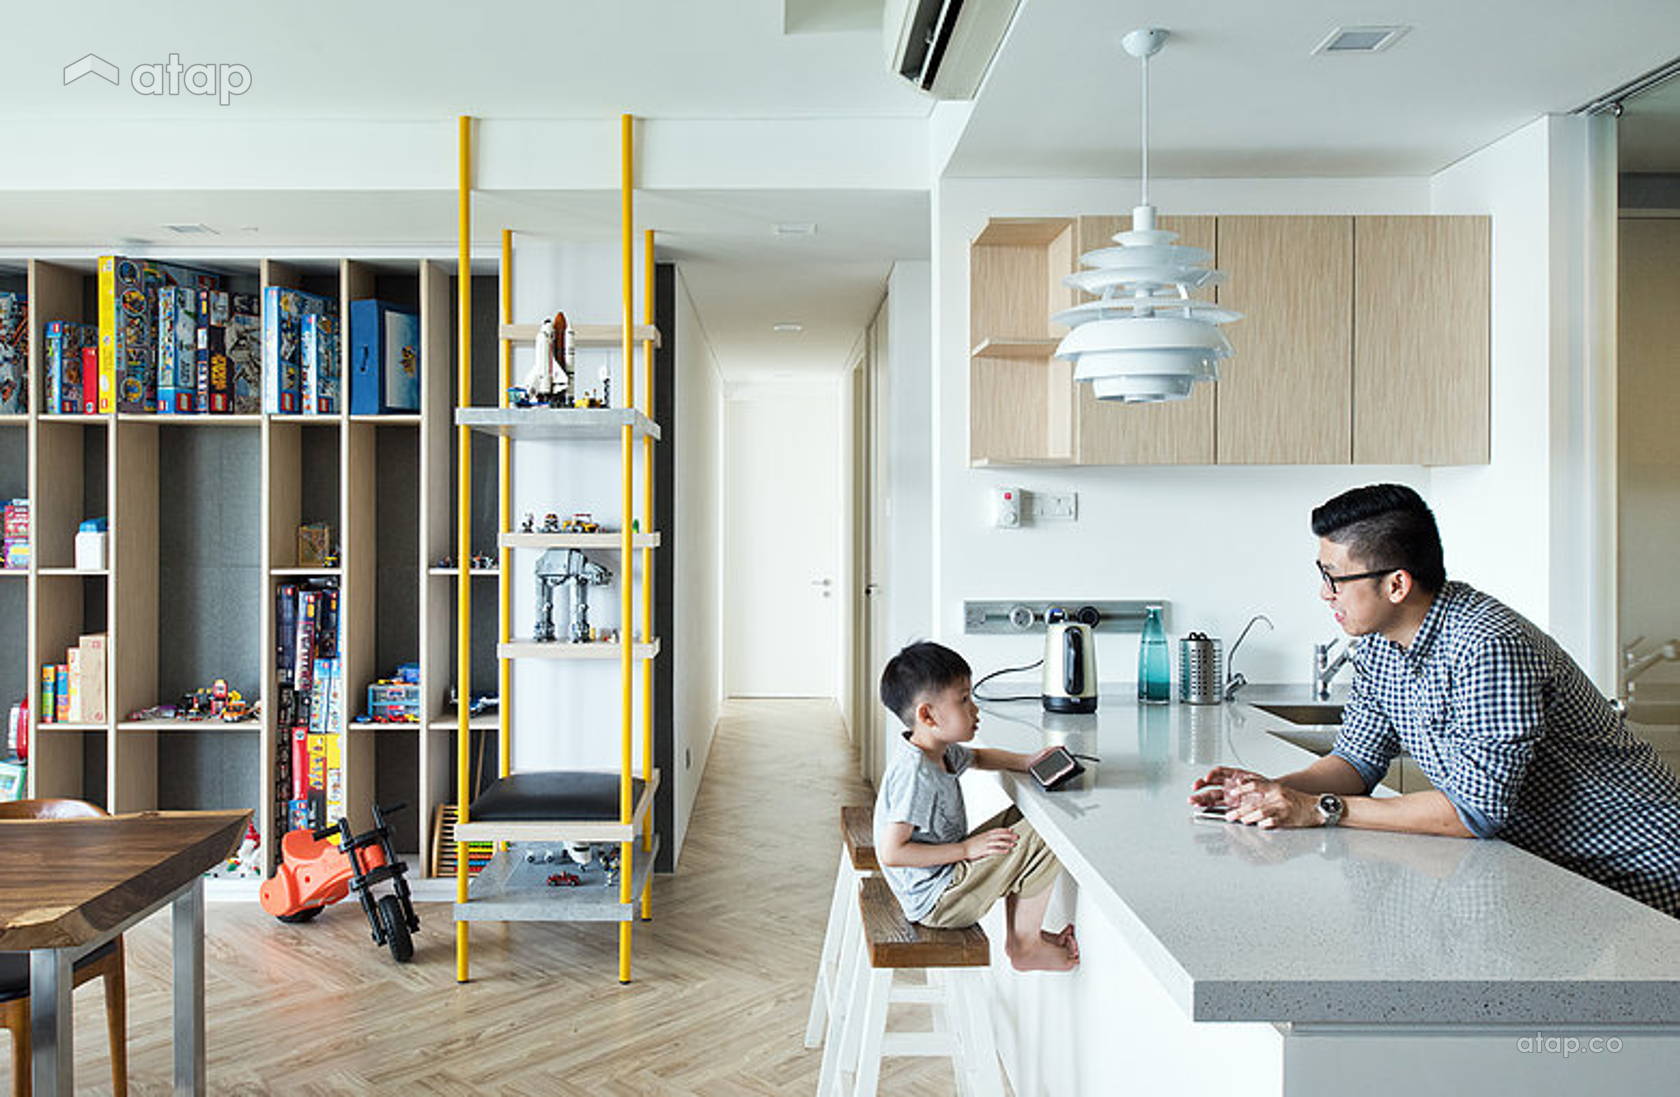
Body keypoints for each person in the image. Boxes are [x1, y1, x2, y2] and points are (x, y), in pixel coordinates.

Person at [1188, 483, 1680, 918]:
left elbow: (1474, 812)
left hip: (1641, 866)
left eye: (1335, 578)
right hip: (1557, 866)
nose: (1324, 593)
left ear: (1396, 584)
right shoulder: (1380, 644)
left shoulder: (1487, 645)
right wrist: (1271, 790)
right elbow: (1356, 761)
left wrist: (1320, 808)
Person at [875, 641, 1080, 970]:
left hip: (941, 880)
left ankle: (1023, 936)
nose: (975, 710)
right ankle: (1025, 945)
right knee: (1048, 830)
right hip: (938, 901)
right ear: (927, 715)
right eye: (964, 700)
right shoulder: (917, 776)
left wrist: (1026, 762)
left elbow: (979, 757)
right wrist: (967, 850)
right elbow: (893, 853)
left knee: (1027, 817)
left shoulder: (935, 748)